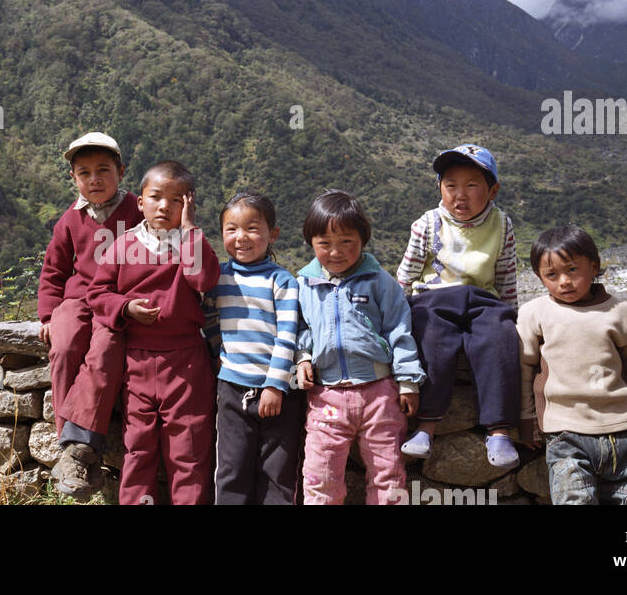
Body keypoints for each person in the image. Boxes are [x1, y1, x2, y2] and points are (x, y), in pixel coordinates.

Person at [87, 160, 219, 504]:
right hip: (136, 362)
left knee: (189, 451)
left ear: (189, 205)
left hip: (187, 364)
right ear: (140, 201)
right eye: (156, 196)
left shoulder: (191, 244)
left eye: (177, 200)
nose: (164, 206)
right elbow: (98, 294)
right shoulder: (123, 245)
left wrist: (190, 231)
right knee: (138, 449)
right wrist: (125, 308)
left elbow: (204, 280)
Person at [295, 190, 424, 505]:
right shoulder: (303, 285)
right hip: (326, 394)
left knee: (388, 472)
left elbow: (399, 329)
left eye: (346, 242)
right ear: (311, 243)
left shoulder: (380, 281)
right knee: (320, 472)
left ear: (362, 240)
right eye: (324, 243)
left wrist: (408, 381)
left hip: (379, 392)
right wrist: (302, 358)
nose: (336, 252)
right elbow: (298, 328)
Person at [395, 144, 521, 468]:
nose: (459, 195)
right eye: (450, 185)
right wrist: (393, 315)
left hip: (483, 301)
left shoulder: (502, 226)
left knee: (500, 338)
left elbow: (506, 278)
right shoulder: (427, 224)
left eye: (472, 185)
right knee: (432, 339)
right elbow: (405, 277)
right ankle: (425, 427)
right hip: (434, 299)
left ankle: (499, 431)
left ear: (493, 190)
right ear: (439, 188)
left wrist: (511, 314)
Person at [517, 226, 627, 504]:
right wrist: (527, 422)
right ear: (539, 277)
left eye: (572, 270)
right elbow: (524, 369)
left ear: (594, 266)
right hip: (565, 435)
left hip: (623, 434)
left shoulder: (625, 314)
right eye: (552, 275)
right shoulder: (534, 314)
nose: (564, 282)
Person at [38, 132, 143, 498]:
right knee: (64, 348)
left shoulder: (137, 211)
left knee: (105, 348)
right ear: (73, 178)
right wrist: (48, 316)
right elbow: (53, 271)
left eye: (103, 170)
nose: (94, 179)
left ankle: (80, 450)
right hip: (78, 299)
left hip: (117, 299)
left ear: (121, 171)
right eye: (84, 173)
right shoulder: (70, 220)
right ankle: (71, 451)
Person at [203, 192, 301, 504]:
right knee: (231, 468)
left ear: (272, 234)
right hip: (232, 388)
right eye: (231, 229)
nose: (241, 237)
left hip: (280, 392)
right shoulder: (217, 277)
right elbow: (208, 318)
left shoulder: (282, 281)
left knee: (278, 470)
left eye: (252, 229)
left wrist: (275, 384)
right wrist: (219, 354)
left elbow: (288, 335)